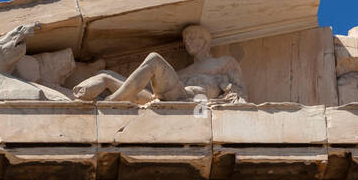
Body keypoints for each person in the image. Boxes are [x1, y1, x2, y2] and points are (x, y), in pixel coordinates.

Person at [72, 24, 246, 103]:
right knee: (106, 76)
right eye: (186, 39)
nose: (188, 42)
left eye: (193, 37)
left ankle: (111, 102)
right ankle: (73, 97)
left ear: (206, 41)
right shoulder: (185, 71)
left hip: (186, 99)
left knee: (154, 59)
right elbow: (147, 85)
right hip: (163, 98)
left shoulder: (224, 62)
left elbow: (239, 95)